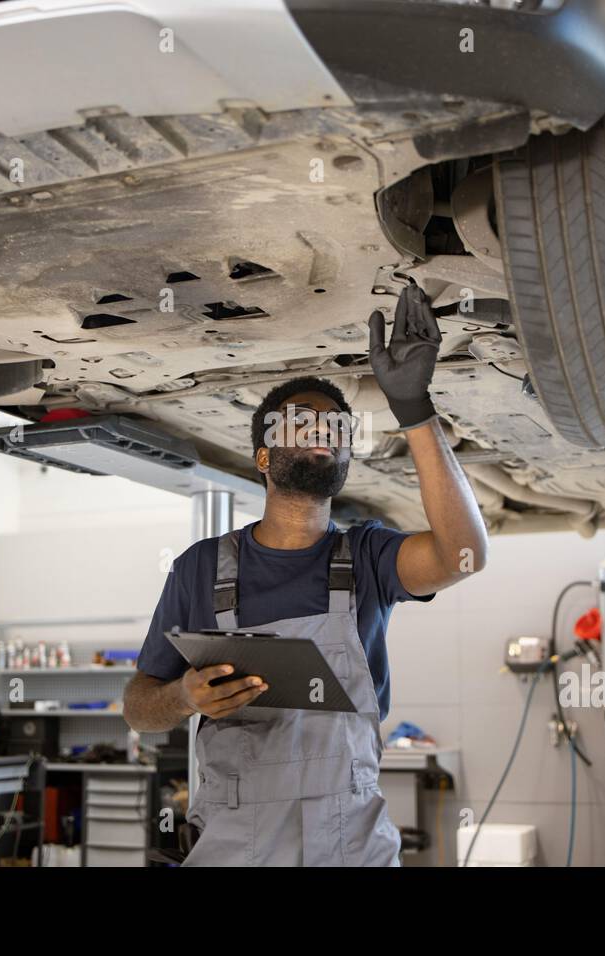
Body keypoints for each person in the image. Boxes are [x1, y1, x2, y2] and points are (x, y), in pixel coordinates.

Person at [123, 283, 488, 865]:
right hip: (232, 846)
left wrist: (413, 407)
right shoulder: (199, 568)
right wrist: (183, 696)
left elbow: (464, 554)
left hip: (350, 842)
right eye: (301, 421)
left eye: (338, 429)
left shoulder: (368, 557)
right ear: (263, 456)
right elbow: (139, 709)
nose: (324, 431)